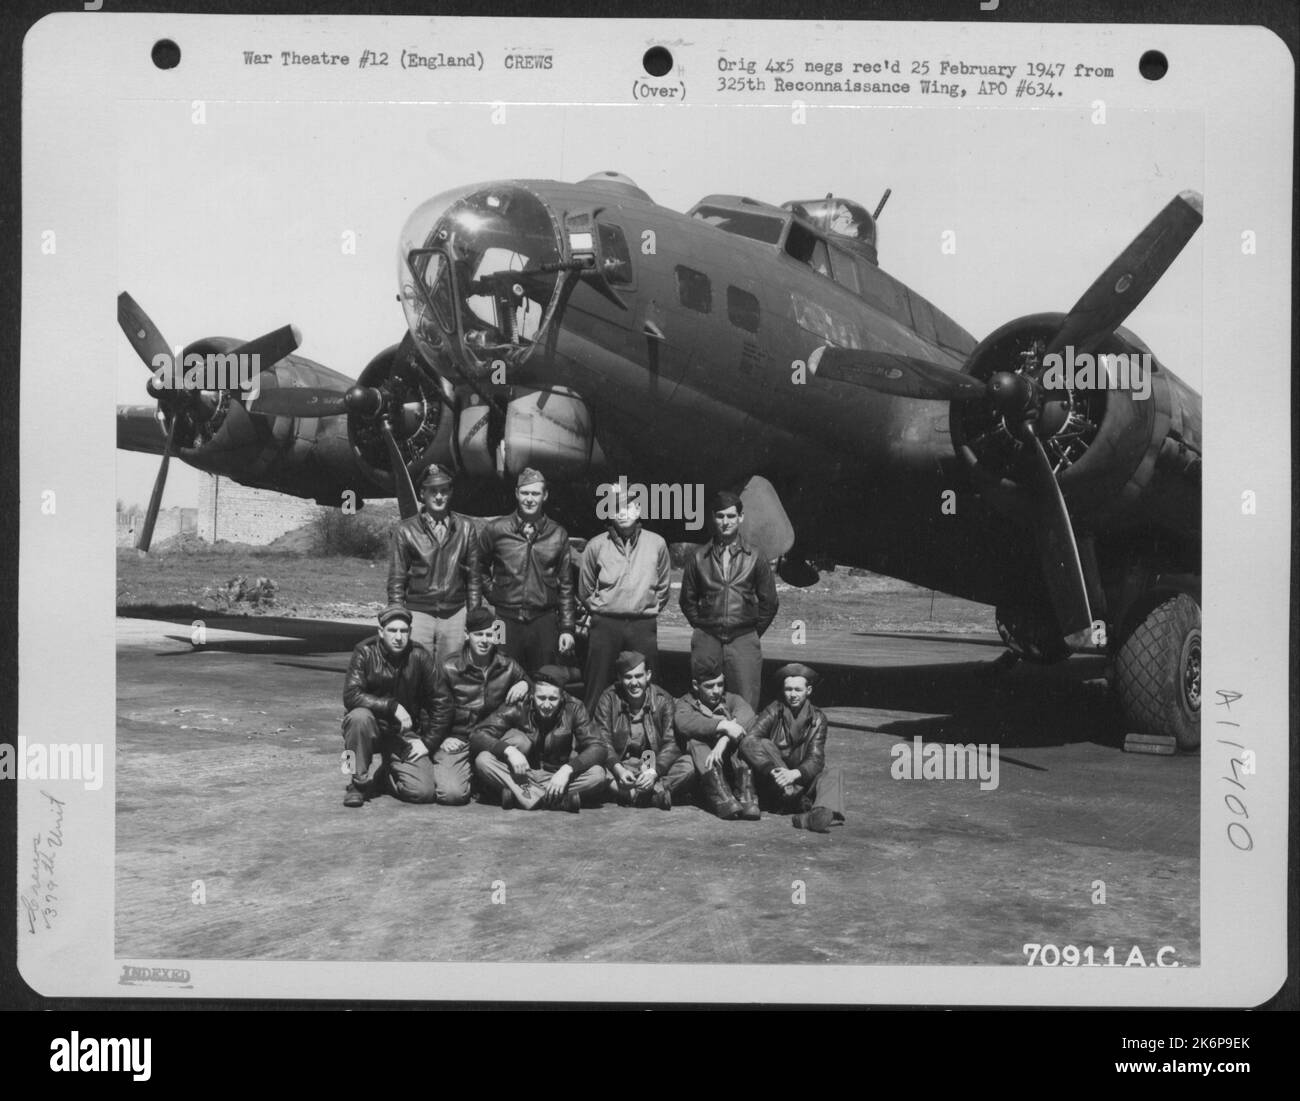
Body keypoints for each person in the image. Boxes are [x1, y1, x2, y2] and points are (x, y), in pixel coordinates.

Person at [679, 490, 779, 710]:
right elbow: (687, 600)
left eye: (731, 516)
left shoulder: (755, 556)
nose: (726, 522)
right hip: (707, 638)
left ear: (740, 518)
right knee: (704, 701)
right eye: (720, 516)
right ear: (713, 518)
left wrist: (750, 631)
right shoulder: (698, 557)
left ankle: (743, 744)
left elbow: (770, 602)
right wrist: (704, 625)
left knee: (746, 701)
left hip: (743, 639)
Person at [470, 467, 575, 670]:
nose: (529, 499)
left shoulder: (558, 534)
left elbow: (566, 586)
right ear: (517, 494)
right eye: (525, 493)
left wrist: (567, 628)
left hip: (543, 620)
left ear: (545, 496)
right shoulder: (496, 529)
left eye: (535, 493)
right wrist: (494, 593)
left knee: (545, 677)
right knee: (501, 673)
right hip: (503, 619)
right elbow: (478, 567)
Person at [427, 606, 530, 805]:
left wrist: (525, 683)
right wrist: (440, 738)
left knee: (521, 741)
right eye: (478, 635)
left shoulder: (507, 665)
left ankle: (482, 773)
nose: (484, 640)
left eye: (489, 635)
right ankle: (477, 776)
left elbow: (535, 686)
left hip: (491, 737)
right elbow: (430, 707)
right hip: (458, 739)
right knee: (452, 795)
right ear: (467, 635)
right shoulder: (449, 667)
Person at [340, 605, 441, 807]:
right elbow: (351, 695)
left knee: (424, 792)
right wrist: (392, 706)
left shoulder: (420, 656)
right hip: (371, 728)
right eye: (392, 630)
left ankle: (386, 777)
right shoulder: (364, 651)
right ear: (380, 632)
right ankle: (357, 783)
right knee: (358, 718)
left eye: (403, 631)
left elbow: (441, 701)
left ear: (410, 633)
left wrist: (428, 742)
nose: (398, 637)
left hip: (404, 734)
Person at [469, 666, 609, 812]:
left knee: (598, 774)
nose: (546, 705)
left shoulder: (574, 707)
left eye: (553, 699)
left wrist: (567, 770)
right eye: (541, 698)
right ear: (532, 695)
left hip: (556, 776)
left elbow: (598, 746)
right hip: (522, 775)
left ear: (562, 696)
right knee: (483, 760)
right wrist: (509, 751)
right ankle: (556, 801)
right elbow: (478, 734)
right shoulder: (519, 704)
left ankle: (524, 797)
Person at [578, 495, 672, 712]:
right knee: (597, 681)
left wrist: (647, 606)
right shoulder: (596, 545)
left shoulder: (656, 543)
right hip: (606, 623)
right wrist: (602, 607)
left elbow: (664, 586)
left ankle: (652, 731)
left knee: (647, 682)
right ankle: (591, 733)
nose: (623, 513)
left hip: (642, 624)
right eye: (616, 508)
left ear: (638, 510)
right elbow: (585, 588)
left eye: (628, 507)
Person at [740, 663, 845, 833]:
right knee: (764, 743)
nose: (793, 695)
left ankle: (812, 816)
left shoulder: (818, 718)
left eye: (798, 689)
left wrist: (795, 774)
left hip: (798, 779)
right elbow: (749, 741)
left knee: (834, 773)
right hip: (776, 783)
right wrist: (773, 770)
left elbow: (816, 758)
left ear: (808, 691)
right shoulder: (773, 710)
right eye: (788, 689)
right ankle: (805, 806)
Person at [386, 464, 475, 665]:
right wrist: (396, 614)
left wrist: (474, 615)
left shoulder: (466, 528)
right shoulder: (405, 530)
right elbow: (397, 579)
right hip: (419, 612)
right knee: (417, 668)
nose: (438, 496)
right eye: (433, 491)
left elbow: (474, 577)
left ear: (450, 493)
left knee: (451, 670)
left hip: (454, 612)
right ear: (422, 493)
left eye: (444, 491)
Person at [590, 650, 690, 809]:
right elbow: (602, 740)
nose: (634, 682)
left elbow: (672, 742)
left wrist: (653, 772)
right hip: (619, 763)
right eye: (628, 677)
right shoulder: (608, 698)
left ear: (648, 675)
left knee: (689, 764)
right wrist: (619, 770)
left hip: (650, 761)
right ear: (620, 678)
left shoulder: (663, 700)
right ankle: (647, 796)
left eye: (638, 676)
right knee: (595, 769)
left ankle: (639, 793)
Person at [673, 655, 761, 820]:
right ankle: (720, 796)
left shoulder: (731, 699)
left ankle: (746, 793)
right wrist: (723, 725)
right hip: (704, 768)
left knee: (743, 737)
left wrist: (724, 739)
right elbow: (684, 723)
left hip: (729, 763)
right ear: (695, 685)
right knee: (695, 740)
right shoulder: (686, 702)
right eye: (709, 686)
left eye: (720, 684)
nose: (716, 691)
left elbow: (747, 714)